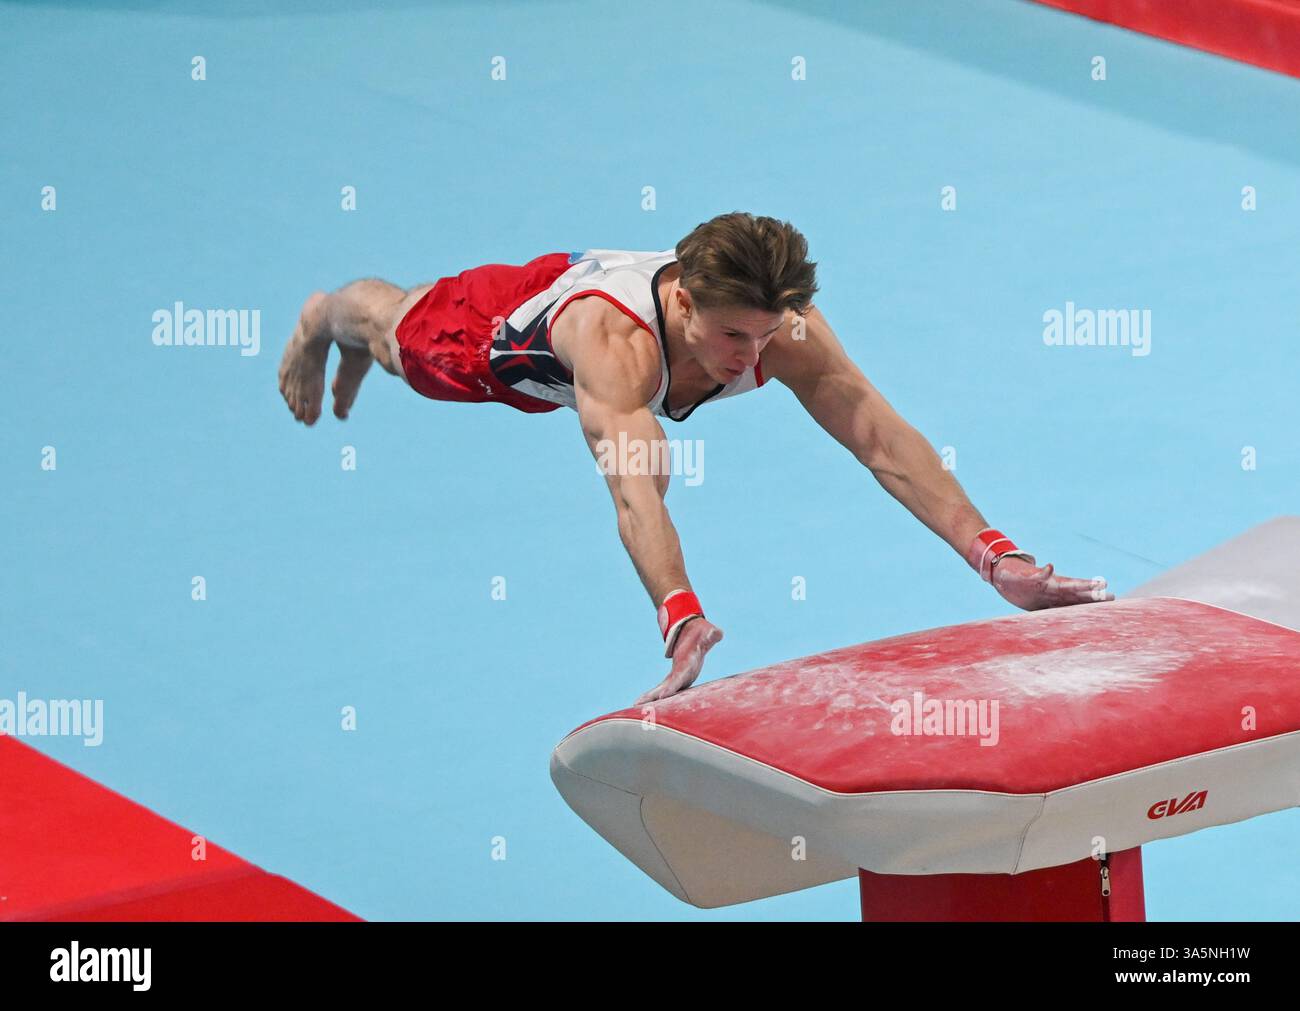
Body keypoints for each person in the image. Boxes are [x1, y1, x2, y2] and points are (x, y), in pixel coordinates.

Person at [278, 212, 1114, 703]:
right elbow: (637, 495)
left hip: (593, 300)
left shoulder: (780, 331)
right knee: (397, 339)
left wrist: (993, 556)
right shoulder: (618, 348)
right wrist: (678, 610)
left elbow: (878, 436)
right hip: (509, 333)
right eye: (729, 337)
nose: (752, 361)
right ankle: (323, 317)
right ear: (682, 301)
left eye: (764, 335)